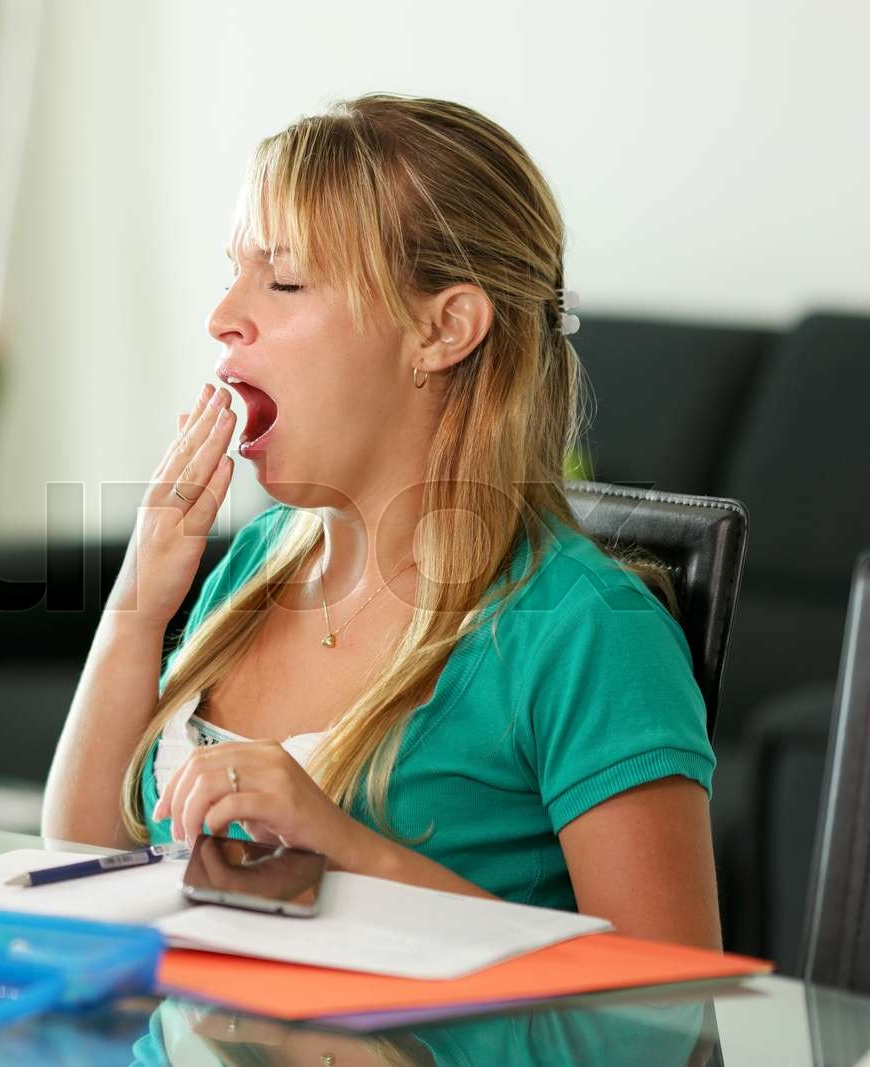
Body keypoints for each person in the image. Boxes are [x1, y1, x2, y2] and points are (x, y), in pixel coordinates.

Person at [42, 94, 721, 950]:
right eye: (234, 271)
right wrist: (139, 597)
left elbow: (667, 1015)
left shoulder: (590, 633)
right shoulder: (252, 566)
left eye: (284, 279)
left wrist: (348, 854)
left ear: (443, 329)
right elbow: (81, 857)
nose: (222, 316)